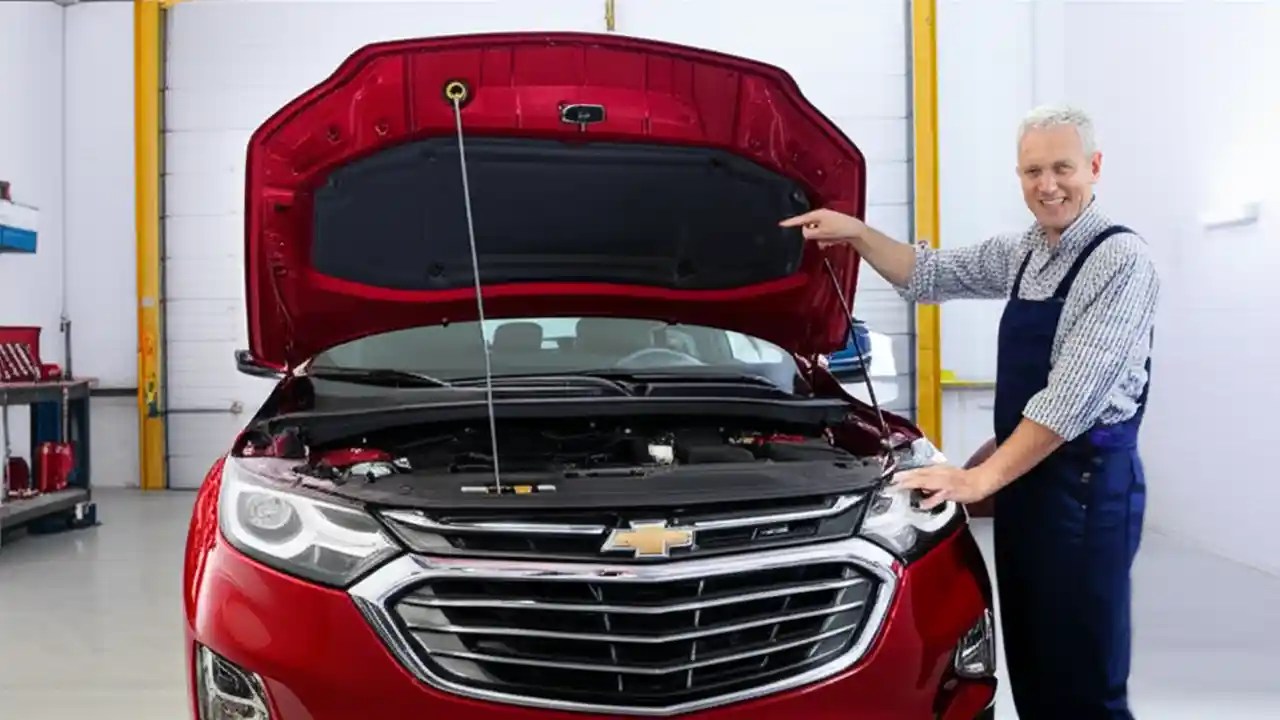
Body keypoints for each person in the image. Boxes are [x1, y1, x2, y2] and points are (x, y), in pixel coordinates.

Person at [781, 104, 1159, 719]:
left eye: (1062, 167)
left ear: (1093, 167)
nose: (1047, 185)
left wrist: (975, 479)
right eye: (1033, 170)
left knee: (1084, 673)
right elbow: (928, 273)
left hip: (1088, 492)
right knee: (1034, 659)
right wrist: (854, 232)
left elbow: (1072, 396)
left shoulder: (1120, 261)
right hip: (1027, 488)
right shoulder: (1028, 251)